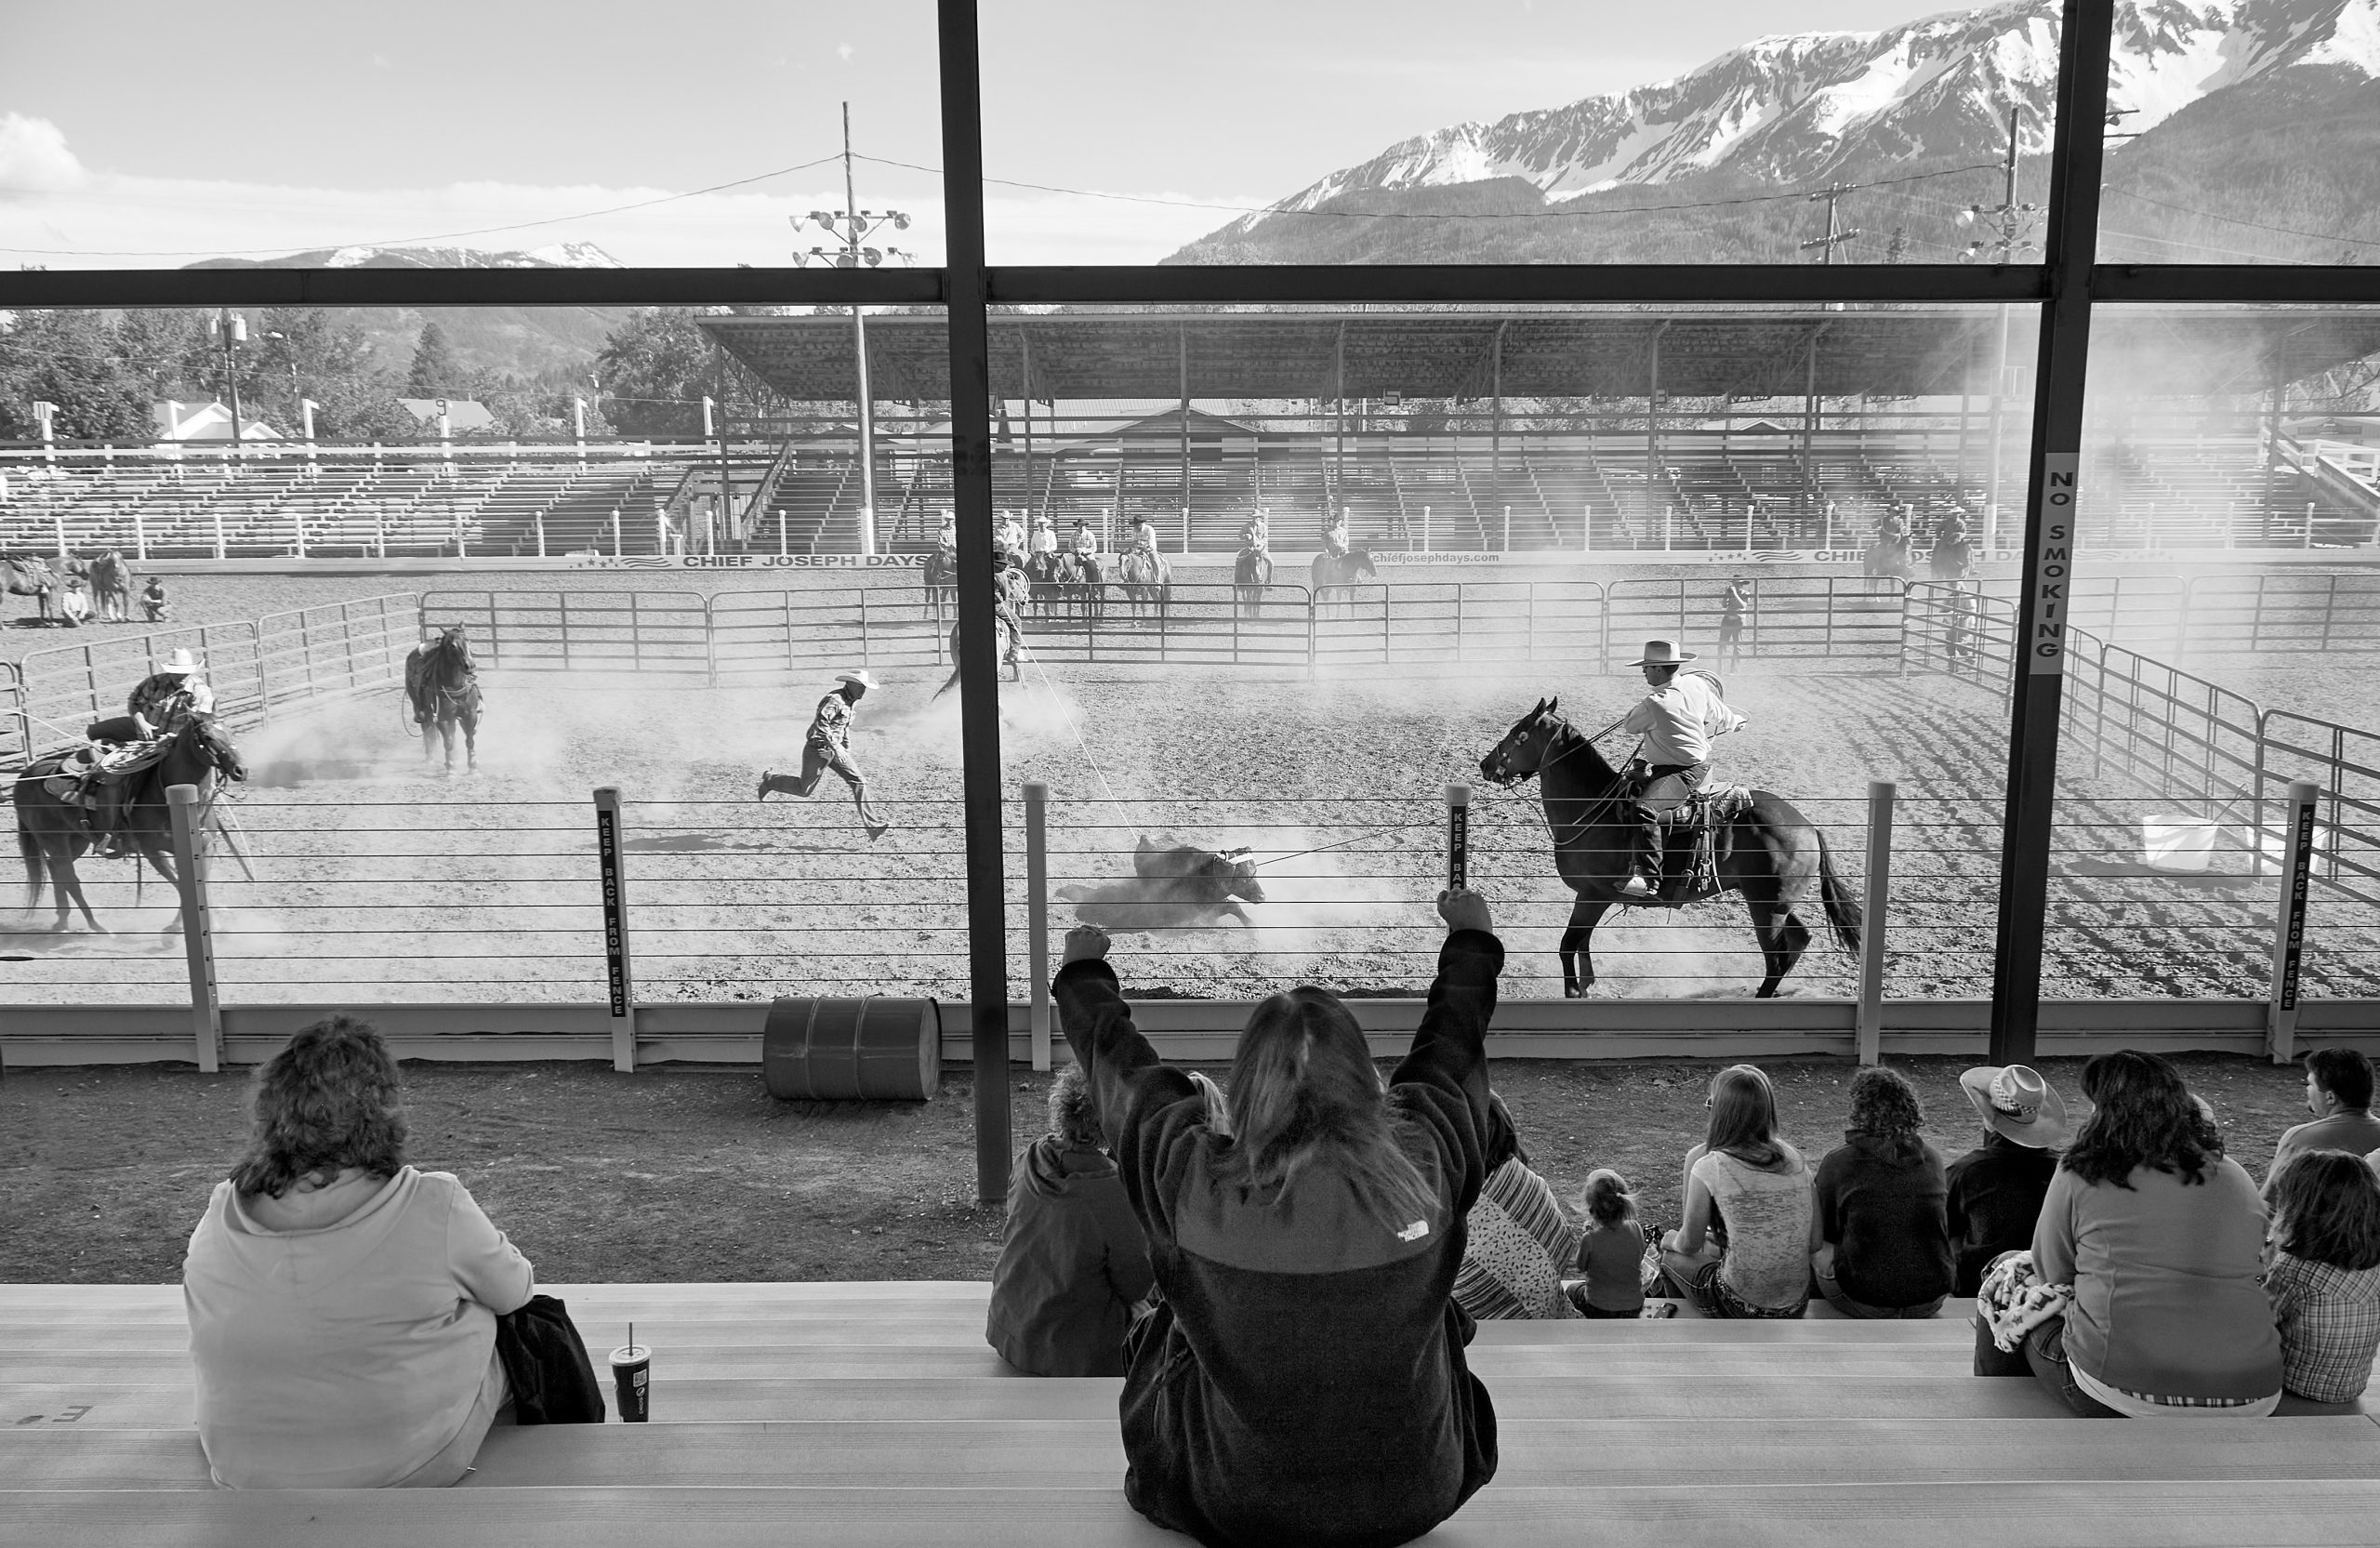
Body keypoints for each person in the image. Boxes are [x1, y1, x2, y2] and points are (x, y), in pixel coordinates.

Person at [1051, 888, 1504, 1548]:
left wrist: (1084, 973)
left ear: (1244, 1087)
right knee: (1439, 1311)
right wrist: (1470, 940)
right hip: (1418, 1489)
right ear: (1365, 1082)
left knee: (1169, 1313)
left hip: (1231, 1501)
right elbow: (1454, 1040)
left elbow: (1125, 1076)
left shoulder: (1189, 1179)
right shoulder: (1426, 1158)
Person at [181, 1016, 535, 1488]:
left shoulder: (221, 1207)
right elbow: (517, 1292)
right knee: (515, 1329)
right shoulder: (433, 1201)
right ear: (382, 1109)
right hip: (406, 1467)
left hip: (240, 1469)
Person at [2013, 1050, 2283, 1418]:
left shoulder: (2082, 1172)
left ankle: (1993, 1421)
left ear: (2106, 1113)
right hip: (2253, 1391)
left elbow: (2052, 1273)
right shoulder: (2235, 1175)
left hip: (2120, 1389)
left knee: (2008, 1283)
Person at [985, 1064, 1157, 1377]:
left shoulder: (1029, 1159)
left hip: (1009, 1329)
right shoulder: (1111, 1190)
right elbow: (1137, 1282)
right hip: (1067, 1352)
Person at [1659, 1065, 1812, 1318]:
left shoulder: (1709, 1165)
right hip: (1796, 1305)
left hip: (1739, 1306)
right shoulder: (1795, 1160)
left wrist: (1670, 1239)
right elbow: (1814, 1241)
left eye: (1711, 1105)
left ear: (1720, 1114)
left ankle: (1684, 1333)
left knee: (1669, 1258)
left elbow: (1689, 1244)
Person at [1810, 1066, 1953, 1319]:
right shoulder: (1932, 1159)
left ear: (1859, 1108)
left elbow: (1824, 1233)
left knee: (1813, 1240)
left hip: (1864, 1299)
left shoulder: (1840, 1163)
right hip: (1931, 1297)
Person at [1615, 641, 1746, 899]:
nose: (1644, 673)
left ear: (1660, 670)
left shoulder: (1655, 701)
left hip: (1679, 774)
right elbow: (1723, 715)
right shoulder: (1696, 684)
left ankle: (1650, 880)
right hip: (1697, 767)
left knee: (1644, 808)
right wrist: (1736, 721)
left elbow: (1629, 726)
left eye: (1648, 667)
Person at [1946, 1064, 2070, 1306]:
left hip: (1979, 1290)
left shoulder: (1967, 1171)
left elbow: (1941, 1228)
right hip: (2043, 1290)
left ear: (1989, 1116)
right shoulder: (2063, 1172)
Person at [2263, 1149, 2380, 1404]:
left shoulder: (2293, 1270)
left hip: (2297, 1386)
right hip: (2352, 1386)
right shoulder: (2373, 1263)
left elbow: (2260, 1324)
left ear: (2304, 1209)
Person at [1451, 1094, 1581, 1321]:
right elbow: (1560, 1245)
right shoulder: (1531, 1184)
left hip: (1485, 1339)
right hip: (1553, 1314)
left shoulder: (1458, 1208)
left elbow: (1458, 1299)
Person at [758, 669, 892, 840]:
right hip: (818, 749)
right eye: (860, 687)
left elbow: (843, 727)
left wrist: (845, 748)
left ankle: (873, 827)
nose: (863, 692)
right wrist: (837, 748)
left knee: (859, 781)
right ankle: (770, 780)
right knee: (804, 790)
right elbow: (821, 724)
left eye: (864, 688)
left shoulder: (851, 702)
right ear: (850, 685)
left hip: (835, 750)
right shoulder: (834, 700)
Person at [2273, 1050, 2380, 1174]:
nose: (2307, 1089)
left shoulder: (2301, 1137)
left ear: (2330, 1097)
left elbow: (2273, 1191)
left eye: (2310, 1084)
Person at [1569, 1170, 1648, 1318]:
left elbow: (1581, 1266)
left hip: (1598, 1307)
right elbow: (1640, 1255)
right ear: (1623, 1203)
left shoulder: (1590, 1238)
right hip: (1634, 1306)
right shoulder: (1636, 1228)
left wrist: (1587, 1235)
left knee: (1573, 1290)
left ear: (1592, 1210)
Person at [1716, 577, 1752, 669]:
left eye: (1737, 584)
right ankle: (1721, 668)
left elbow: (1743, 605)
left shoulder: (1746, 594)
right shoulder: (1730, 593)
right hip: (1728, 618)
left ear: (1741, 585)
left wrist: (1735, 594)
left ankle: (1734, 669)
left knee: (1737, 645)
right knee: (1722, 643)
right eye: (1734, 584)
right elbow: (1724, 605)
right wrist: (1726, 595)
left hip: (1739, 619)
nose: (1734, 586)